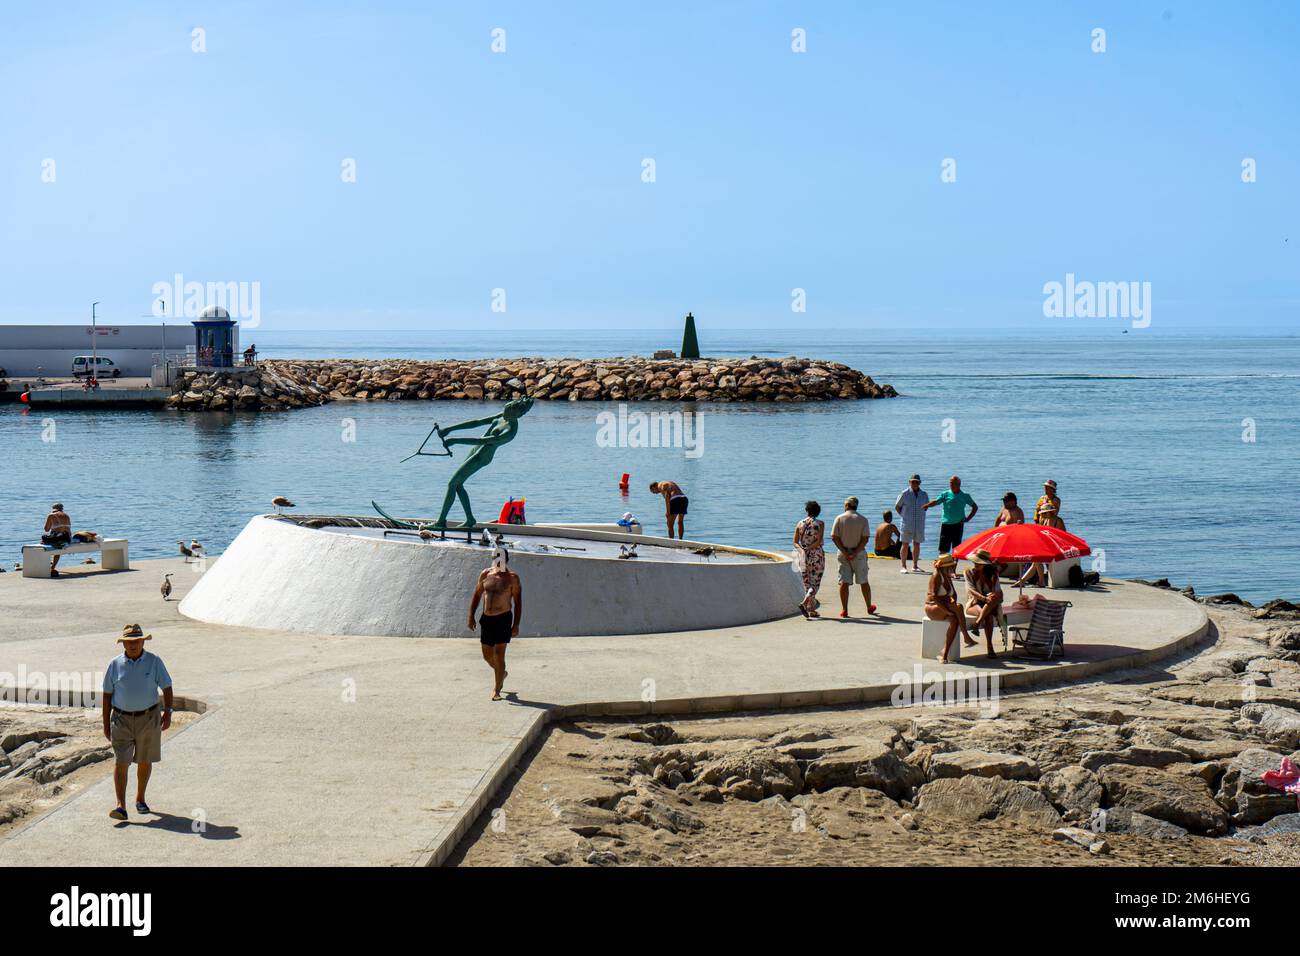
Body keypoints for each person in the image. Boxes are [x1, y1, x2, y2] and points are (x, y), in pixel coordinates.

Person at [102, 624, 174, 820]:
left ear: (143, 642)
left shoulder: (154, 661)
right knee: (121, 761)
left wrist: (168, 713)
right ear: (123, 644)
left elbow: (167, 687)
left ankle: (140, 798)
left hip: (149, 718)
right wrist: (106, 724)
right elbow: (107, 695)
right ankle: (120, 806)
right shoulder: (114, 664)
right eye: (128, 642)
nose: (132, 645)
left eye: (136, 641)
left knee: (144, 760)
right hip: (121, 719)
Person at [468, 547, 522, 701]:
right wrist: (471, 616)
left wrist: (516, 624)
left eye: (501, 559)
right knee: (487, 656)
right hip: (487, 619)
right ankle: (501, 673)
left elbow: (518, 602)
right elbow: (477, 595)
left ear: (506, 560)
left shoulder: (512, 578)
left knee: (499, 655)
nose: (498, 562)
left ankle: (497, 689)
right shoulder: (485, 574)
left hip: (503, 619)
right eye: (495, 558)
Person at [831, 496, 875, 618]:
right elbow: (865, 539)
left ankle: (844, 610)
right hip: (858, 553)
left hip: (843, 553)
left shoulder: (839, 518)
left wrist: (845, 552)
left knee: (844, 582)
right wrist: (855, 552)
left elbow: (834, 537)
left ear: (846, 505)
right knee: (864, 581)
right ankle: (869, 606)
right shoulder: (863, 519)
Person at [925, 553, 973, 664]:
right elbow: (933, 597)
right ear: (946, 566)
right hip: (932, 607)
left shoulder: (946, 576)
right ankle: (966, 636)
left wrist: (951, 600)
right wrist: (946, 610)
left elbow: (953, 594)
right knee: (959, 607)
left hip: (943, 606)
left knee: (954, 620)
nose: (953, 567)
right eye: (951, 566)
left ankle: (944, 654)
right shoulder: (936, 576)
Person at [925, 475, 978, 555]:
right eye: (950, 483)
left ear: (959, 484)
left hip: (958, 524)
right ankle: (942, 562)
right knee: (943, 549)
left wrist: (968, 519)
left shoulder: (965, 495)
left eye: (953, 483)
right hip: (946, 524)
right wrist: (927, 505)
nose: (951, 485)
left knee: (956, 548)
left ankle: (954, 563)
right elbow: (936, 502)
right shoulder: (945, 494)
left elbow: (975, 507)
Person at [963, 549, 1002, 657]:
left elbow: (998, 591)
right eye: (975, 562)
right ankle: (990, 647)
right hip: (974, 603)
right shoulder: (968, 572)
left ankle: (977, 624)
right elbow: (970, 590)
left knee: (993, 601)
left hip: (990, 603)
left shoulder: (993, 574)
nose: (976, 564)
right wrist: (984, 598)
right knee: (987, 615)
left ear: (985, 564)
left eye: (979, 563)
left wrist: (991, 595)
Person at [792, 501, 825, 618]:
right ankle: (804, 603)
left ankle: (811, 610)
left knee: (807, 582)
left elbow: (795, 542)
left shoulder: (800, 523)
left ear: (807, 511)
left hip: (802, 556)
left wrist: (802, 550)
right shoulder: (820, 523)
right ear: (818, 512)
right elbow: (818, 541)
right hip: (816, 555)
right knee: (815, 582)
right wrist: (810, 548)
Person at [894, 474, 930, 574]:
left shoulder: (924, 494)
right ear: (909, 482)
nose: (915, 483)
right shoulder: (904, 493)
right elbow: (897, 506)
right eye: (913, 482)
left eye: (916, 482)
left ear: (919, 483)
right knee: (905, 544)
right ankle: (903, 566)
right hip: (907, 523)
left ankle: (915, 566)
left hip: (919, 523)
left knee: (917, 544)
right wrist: (904, 516)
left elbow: (926, 507)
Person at [42, 502, 72, 576]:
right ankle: (52, 567)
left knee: (43, 539)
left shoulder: (51, 515)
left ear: (53, 509)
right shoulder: (67, 515)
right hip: (67, 539)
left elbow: (46, 529)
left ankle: (46, 565)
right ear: (61, 509)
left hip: (58, 539)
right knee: (58, 547)